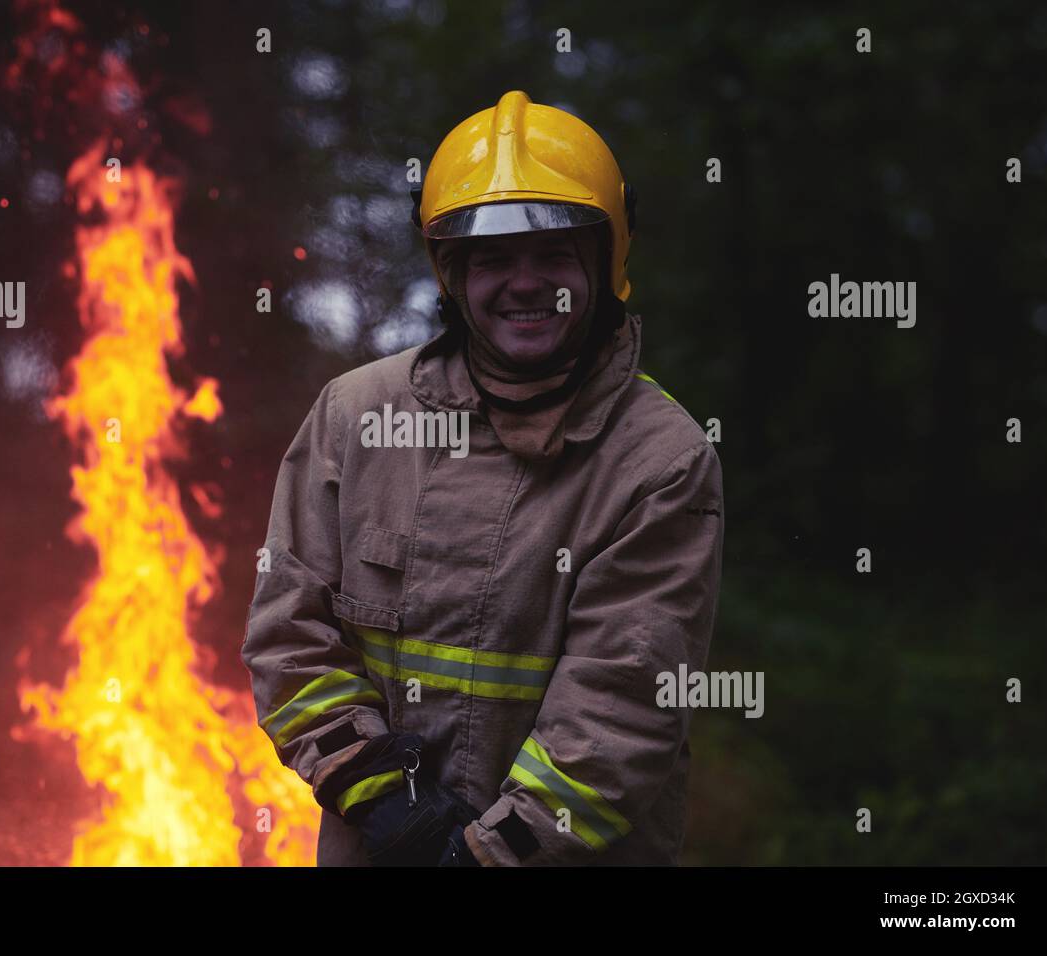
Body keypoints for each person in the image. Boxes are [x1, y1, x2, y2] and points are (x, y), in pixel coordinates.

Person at [242, 90, 724, 866]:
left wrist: (488, 853)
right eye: (493, 259)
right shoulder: (356, 415)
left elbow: (624, 705)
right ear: (450, 272)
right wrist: (382, 797)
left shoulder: (660, 459)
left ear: (606, 262)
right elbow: (288, 634)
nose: (524, 283)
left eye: (554, 256)